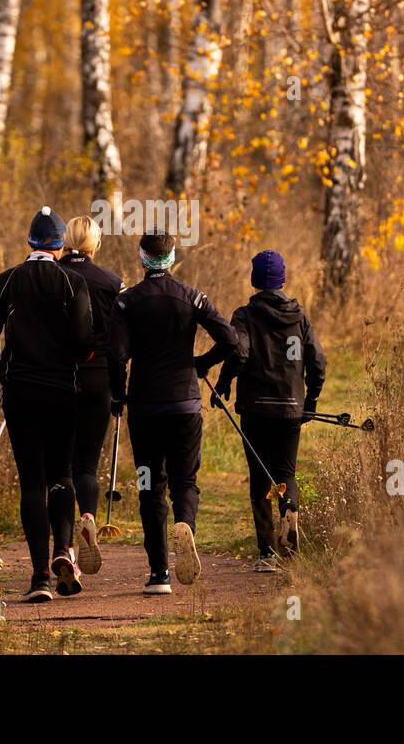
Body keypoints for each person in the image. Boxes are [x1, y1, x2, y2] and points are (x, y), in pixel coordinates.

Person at [109, 231, 238, 595]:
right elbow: (230, 341)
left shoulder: (126, 303)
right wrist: (200, 363)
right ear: (171, 259)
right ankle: (186, 526)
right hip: (185, 406)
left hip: (145, 409)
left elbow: (116, 356)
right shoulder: (193, 297)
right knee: (185, 481)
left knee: (150, 486)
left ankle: (159, 574)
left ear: (142, 259)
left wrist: (117, 396)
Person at [0, 207, 93, 602]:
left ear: (30, 243)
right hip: (62, 391)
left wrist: (0, 368)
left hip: (20, 391)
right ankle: (64, 549)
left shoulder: (6, 281)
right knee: (62, 474)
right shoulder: (73, 282)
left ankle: (40, 576)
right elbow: (82, 342)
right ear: (60, 246)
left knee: (31, 482)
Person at [213, 250, 327, 571]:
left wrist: (223, 383)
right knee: (286, 473)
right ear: (282, 278)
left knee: (260, 476)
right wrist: (312, 401)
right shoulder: (300, 317)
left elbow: (239, 353)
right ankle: (289, 517)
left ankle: (267, 554)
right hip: (291, 409)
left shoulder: (244, 315)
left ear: (254, 279)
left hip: (256, 410)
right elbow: (318, 362)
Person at [58, 215, 125, 576]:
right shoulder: (113, 283)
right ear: (94, 245)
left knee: (61, 467)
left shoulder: (54, 277)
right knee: (86, 464)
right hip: (100, 380)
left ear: (66, 241)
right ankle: (89, 516)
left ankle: (66, 548)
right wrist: (122, 389)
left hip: (58, 380)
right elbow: (121, 343)